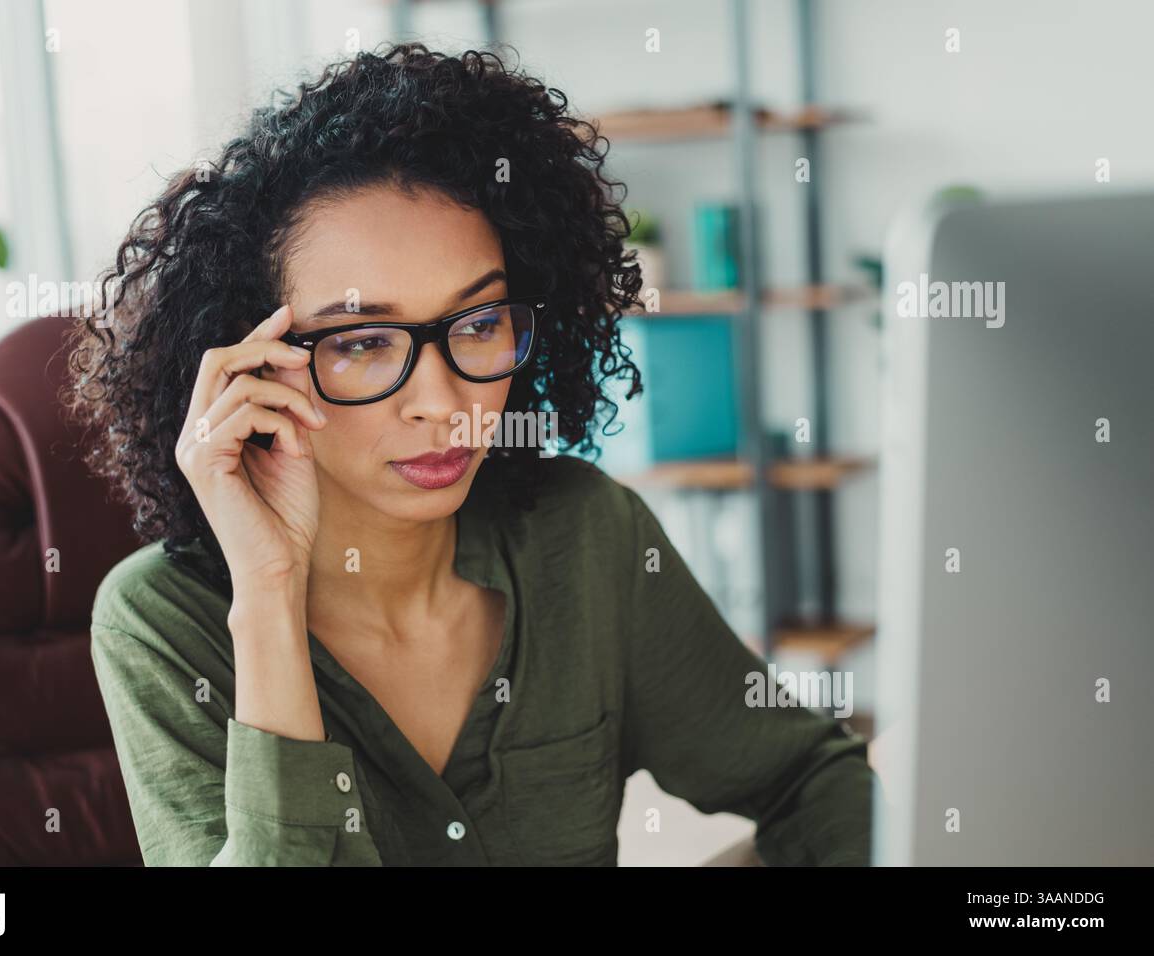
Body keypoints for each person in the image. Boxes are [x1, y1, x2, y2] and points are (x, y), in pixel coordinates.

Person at [62, 42, 875, 866]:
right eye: (364, 342)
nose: (446, 404)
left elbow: (809, 778)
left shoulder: (585, 538)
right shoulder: (161, 624)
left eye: (479, 325)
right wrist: (269, 594)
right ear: (252, 364)